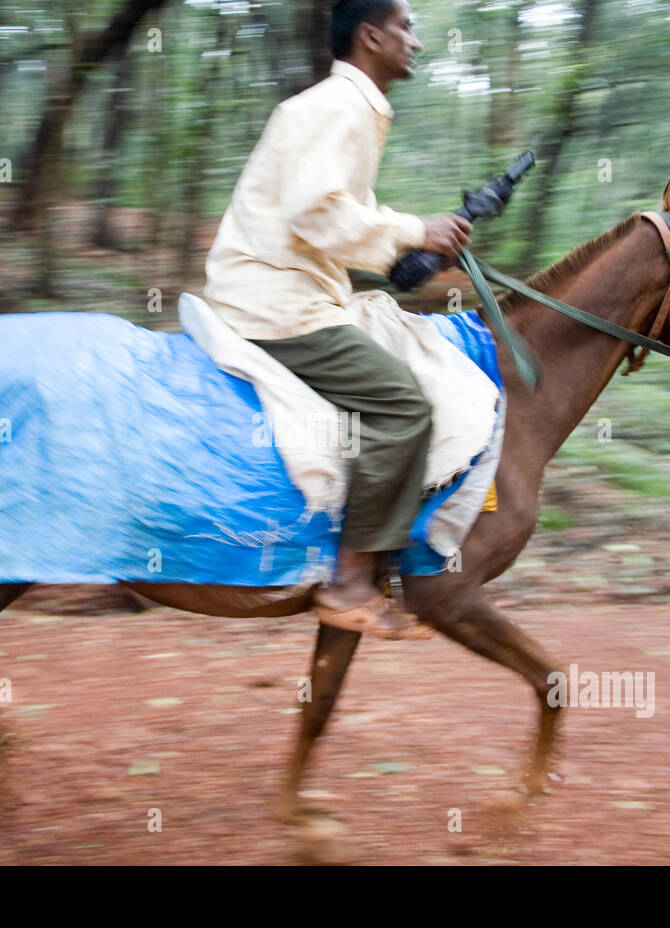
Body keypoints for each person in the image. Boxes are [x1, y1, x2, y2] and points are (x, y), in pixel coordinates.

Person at [202, 0, 472, 637]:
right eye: (405, 27)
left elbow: (337, 226)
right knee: (403, 406)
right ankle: (350, 583)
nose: (415, 39)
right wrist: (415, 229)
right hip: (275, 303)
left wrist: (413, 252)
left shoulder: (351, 107)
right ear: (371, 35)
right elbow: (316, 211)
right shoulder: (336, 105)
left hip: (298, 291)